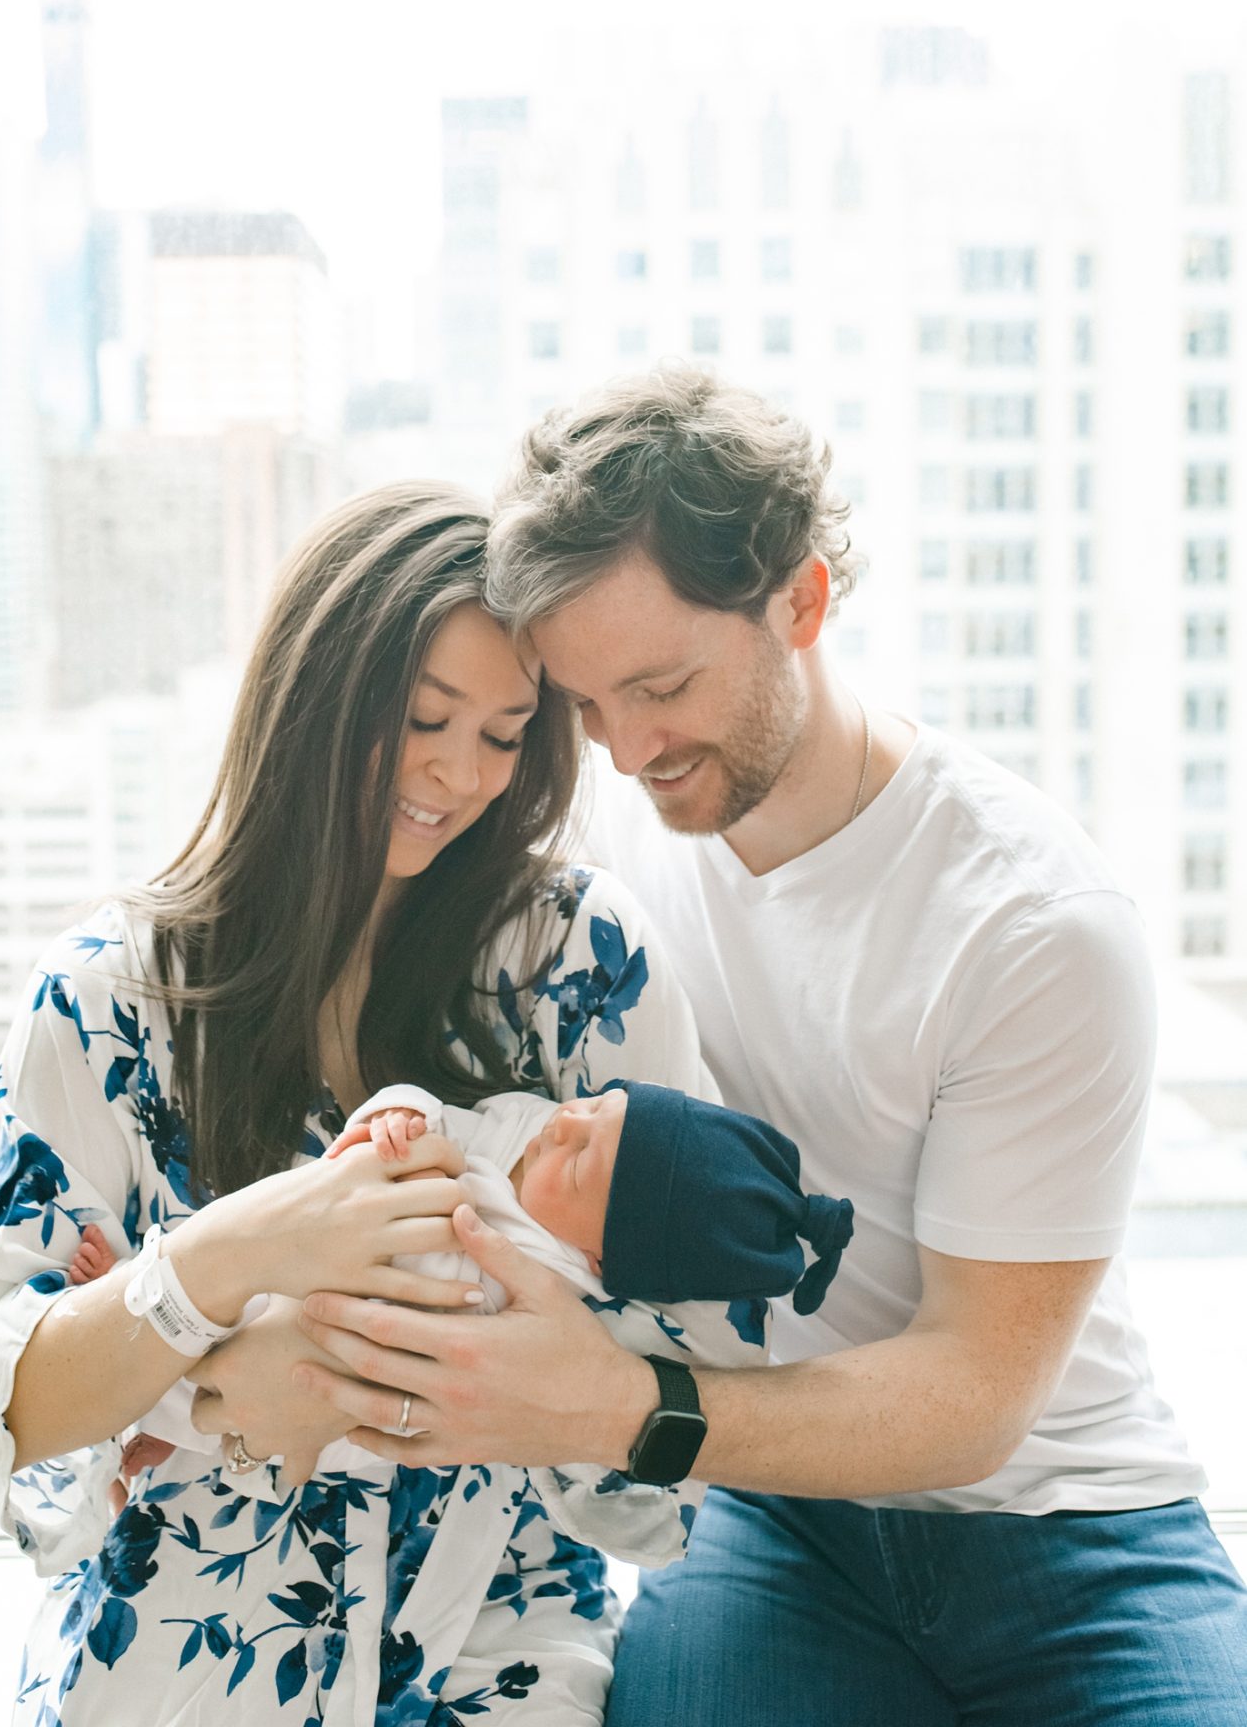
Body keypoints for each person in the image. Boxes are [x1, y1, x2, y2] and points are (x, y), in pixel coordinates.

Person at [294, 375, 1247, 1725]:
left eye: (662, 686)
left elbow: (976, 1393)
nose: (629, 750)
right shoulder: (600, 868)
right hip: (776, 1516)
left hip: (1072, 1521)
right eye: (587, 706)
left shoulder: (1031, 923)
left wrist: (610, 1407)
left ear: (801, 600)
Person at [0, 481, 749, 1727]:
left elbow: (695, 1357)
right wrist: (231, 1259)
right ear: (316, 694)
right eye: (425, 718)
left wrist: (356, 1383)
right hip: (178, 1647)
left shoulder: (578, 961)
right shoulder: (106, 999)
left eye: (503, 734)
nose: (459, 773)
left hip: (498, 1637)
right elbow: (10, 1405)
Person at [63, 1076, 848, 1712]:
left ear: (601, 1260)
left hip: (368, 1387)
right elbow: (436, 1114)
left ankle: (154, 1414)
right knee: (233, 1292)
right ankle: (134, 1316)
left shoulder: (563, 1285)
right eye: (592, 1109)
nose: (565, 1128)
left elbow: (613, 1419)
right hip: (309, 1263)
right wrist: (395, 1117)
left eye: (581, 1162)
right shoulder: (516, 1135)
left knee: (273, 1413)